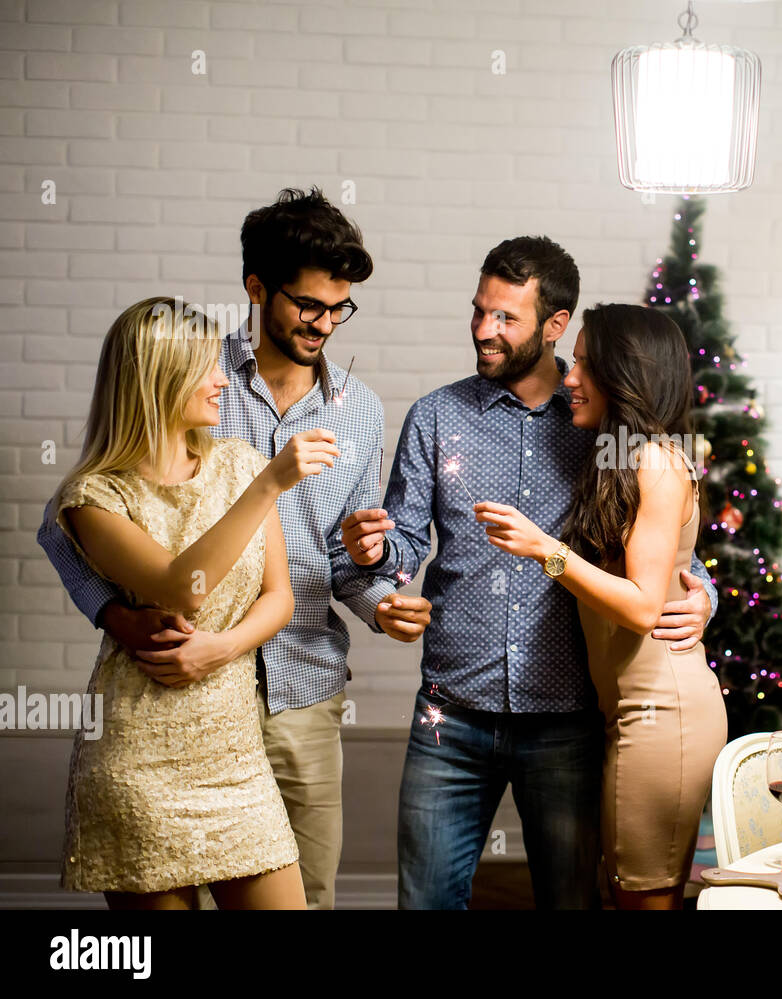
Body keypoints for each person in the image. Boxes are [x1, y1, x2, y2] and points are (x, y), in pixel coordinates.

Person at [36, 187, 432, 909]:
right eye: (309, 304)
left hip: (299, 686)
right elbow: (69, 521)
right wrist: (114, 615)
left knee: (305, 895)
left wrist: (380, 593)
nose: (324, 324)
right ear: (256, 288)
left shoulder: (362, 410)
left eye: (338, 308)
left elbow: (344, 562)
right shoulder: (189, 372)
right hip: (164, 701)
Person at [341, 236, 718, 909]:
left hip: (568, 720)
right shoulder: (436, 417)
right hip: (448, 716)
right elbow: (400, 544)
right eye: (479, 311)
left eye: (506, 318)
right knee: (423, 904)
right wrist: (374, 565)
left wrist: (704, 595)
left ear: (555, 325)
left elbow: (662, 543)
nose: (485, 331)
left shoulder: (600, 426)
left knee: (571, 902)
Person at [48, 297, 342, 909]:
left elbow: (278, 596)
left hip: (236, 759)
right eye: (205, 366)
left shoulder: (238, 463)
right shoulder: (92, 496)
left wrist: (222, 648)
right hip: (138, 763)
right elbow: (185, 586)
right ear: (157, 378)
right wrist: (270, 487)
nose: (221, 380)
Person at [475, 303, 728, 910]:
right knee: (624, 892)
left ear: (626, 375)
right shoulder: (619, 456)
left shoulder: (657, 461)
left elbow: (643, 607)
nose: (568, 377)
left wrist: (545, 550)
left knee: (643, 896)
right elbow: (673, 575)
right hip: (628, 712)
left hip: (662, 714)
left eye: (585, 365)